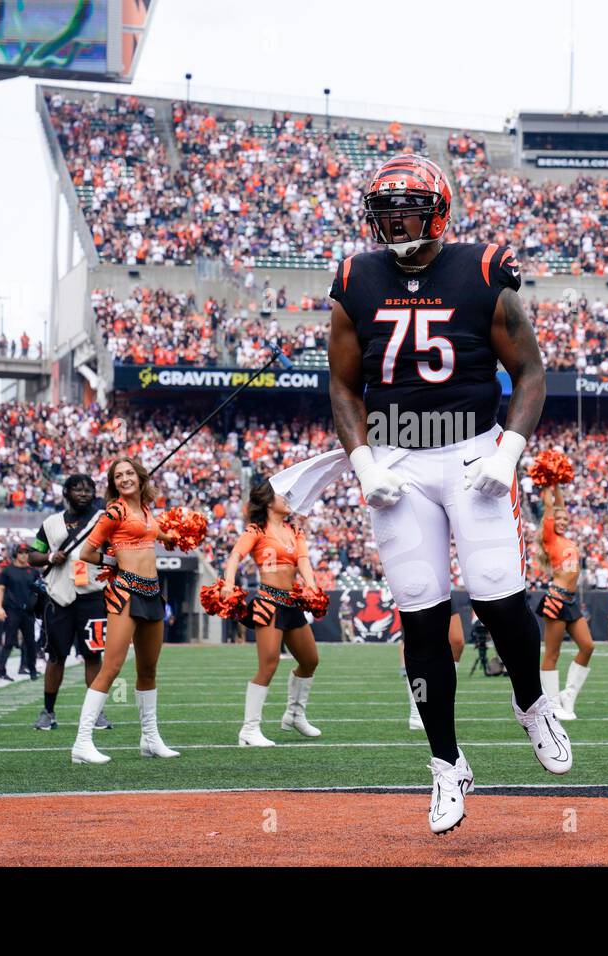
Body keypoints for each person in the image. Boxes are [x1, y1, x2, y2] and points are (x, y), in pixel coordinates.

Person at [327, 152, 568, 835]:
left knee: (499, 596)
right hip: (399, 459)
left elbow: (530, 371)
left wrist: (510, 451)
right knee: (422, 619)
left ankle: (532, 702)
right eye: (385, 210)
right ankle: (445, 764)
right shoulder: (354, 279)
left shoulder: (483, 269)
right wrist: (364, 463)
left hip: (471, 452)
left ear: (438, 210)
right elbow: (344, 384)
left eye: (408, 208)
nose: (396, 221)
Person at [70, 456, 180, 764]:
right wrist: (112, 563)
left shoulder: (145, 510)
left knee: (148, 669)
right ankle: (82, 742)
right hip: (125, 591)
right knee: (112, 667)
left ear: (140, 476)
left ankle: (150, 739)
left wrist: (169, 536)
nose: (125, 479)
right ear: (113, 483)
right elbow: (86, 552)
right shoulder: (114, 510)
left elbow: (153, 533)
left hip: (152, 592)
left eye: (129, 473)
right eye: (119, 476)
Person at [220, 479, 323, 746]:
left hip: (292, 603)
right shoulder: (256, 530)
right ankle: (249, 729)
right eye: (282, 495)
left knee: (310, 660)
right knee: (269, 664)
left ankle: (294, 715)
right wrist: (229, 585)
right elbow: (234, 557)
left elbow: (303, 561)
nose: (288, 498)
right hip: (268, 602)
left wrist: (311, 586)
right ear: (267, 501)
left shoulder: (295, 531)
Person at [28, 474, 112, 732]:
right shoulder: (51, 523)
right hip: (59, 599)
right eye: (78, 489)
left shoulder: (103, 520)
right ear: (66, 492)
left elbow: (114, 553)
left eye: (89, 489)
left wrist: (98, 559)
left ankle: (95, 713)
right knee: (56, 656)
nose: (84, 494)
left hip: (93, 597)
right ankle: (48, 711)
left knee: (93, 655)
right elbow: (33, 555)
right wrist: (51, 556)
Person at [536, 483, 593, 720]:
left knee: (587, 646)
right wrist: (548, 482)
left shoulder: (568, 540)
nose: (561, 521)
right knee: (553, 653)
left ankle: (568, 695)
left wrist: (557, 483)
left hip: (570, 601)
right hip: (557, 598)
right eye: (557, 519)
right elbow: (551, 507)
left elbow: (559, 506)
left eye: (564, 519)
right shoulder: (549, 538)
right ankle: (550, 702)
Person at [0, 545, 40, 681]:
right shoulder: (8, 571)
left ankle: (32, 669)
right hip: (12, 610)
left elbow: (38, 591)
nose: (24, 555)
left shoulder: (33, 571)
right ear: (16, 554)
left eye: (26, 553)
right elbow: (0, 589)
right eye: (21, 553)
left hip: (28, 612)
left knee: (30, 642)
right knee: (9, 641)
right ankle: (1, 671)